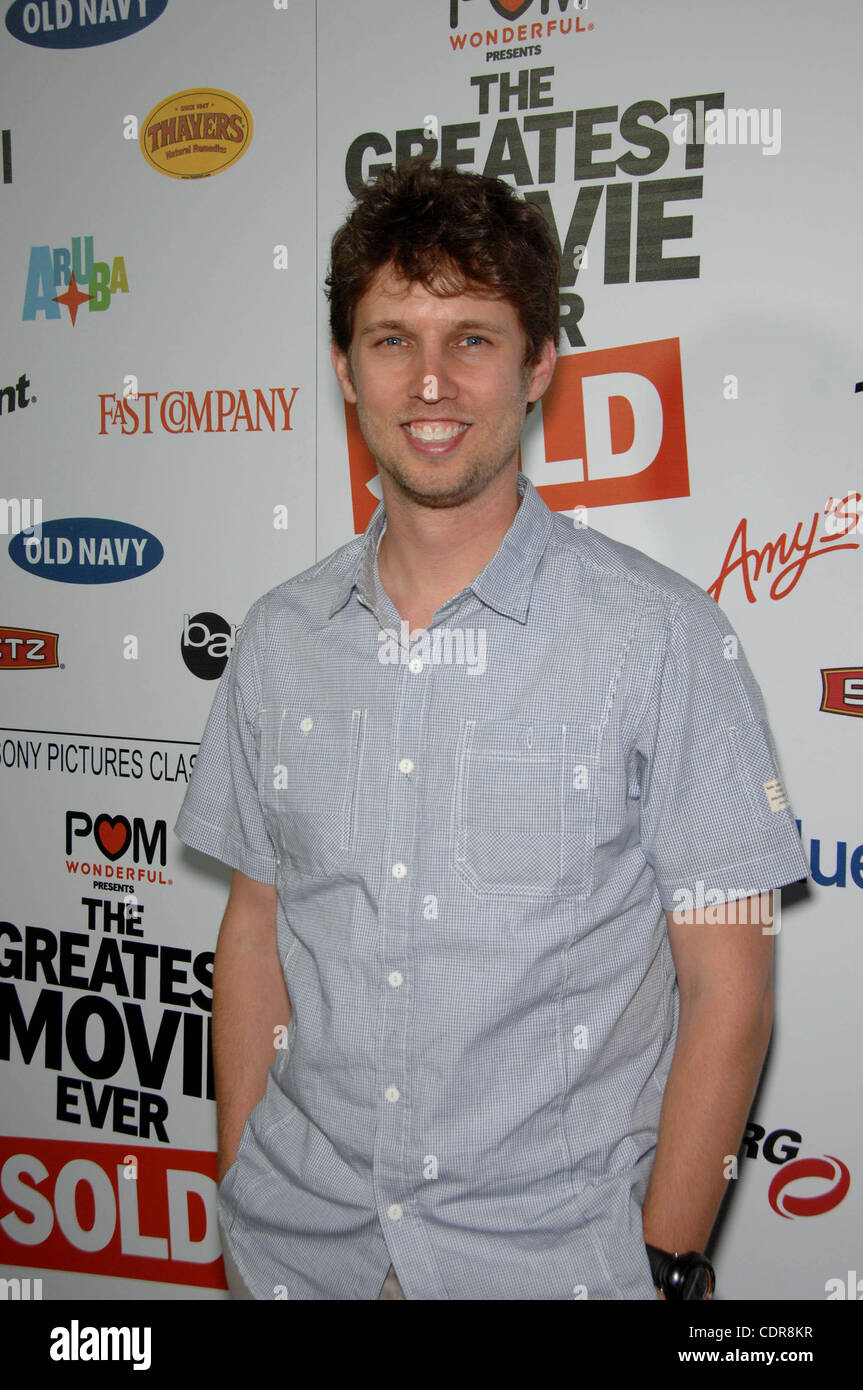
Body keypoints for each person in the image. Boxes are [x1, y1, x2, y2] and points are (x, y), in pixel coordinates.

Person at [174, 158, 810, 1301]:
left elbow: (730, 990)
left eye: (470, 337)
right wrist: (242, 1197)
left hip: (551, 1272)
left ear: (537, 367)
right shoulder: (276, 640)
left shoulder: (659, 637)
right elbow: (257, 937)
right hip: (298, 1259)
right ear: (342, 367)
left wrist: (662, 1264)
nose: (429, 380)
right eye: (390, 339)